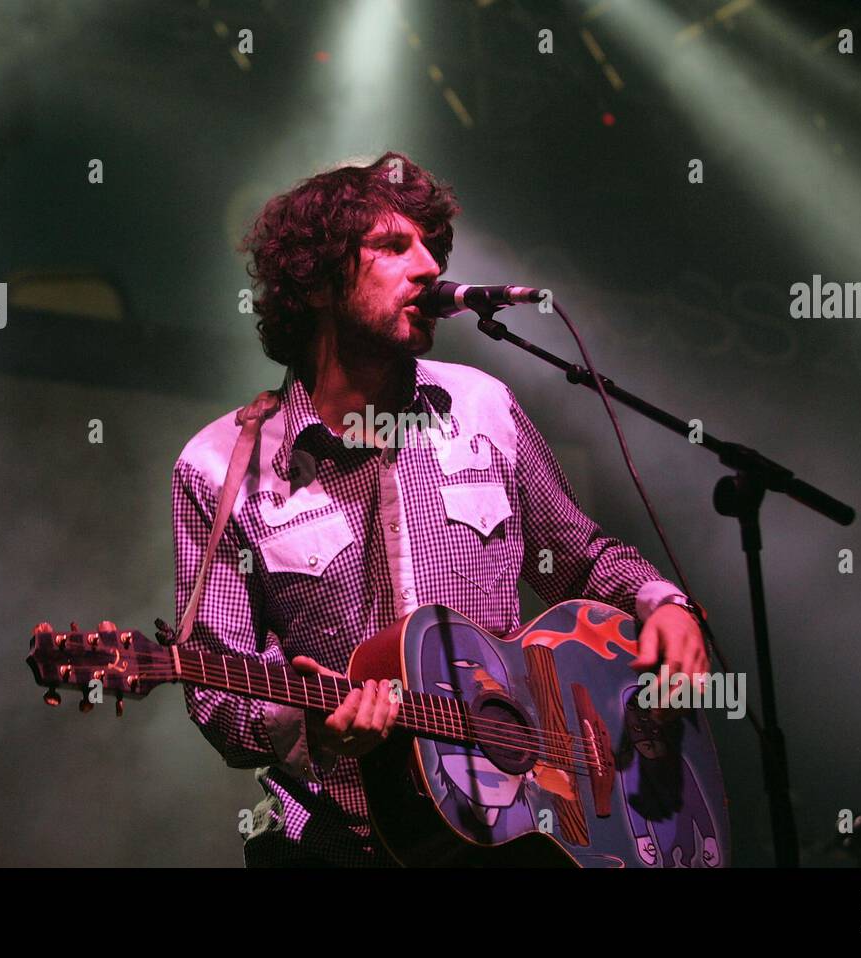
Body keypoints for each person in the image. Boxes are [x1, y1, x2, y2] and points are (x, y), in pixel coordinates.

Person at [172, 151, 707, 866]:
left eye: (431, 246)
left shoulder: (482, 405)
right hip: (344, 840)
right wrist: (316, 728)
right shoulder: (217, 468)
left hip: (523, 835)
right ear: (319, 280)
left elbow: (579, 559)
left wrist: (662, 602)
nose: (429, 268)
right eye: (394, 247)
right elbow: (217, 689)